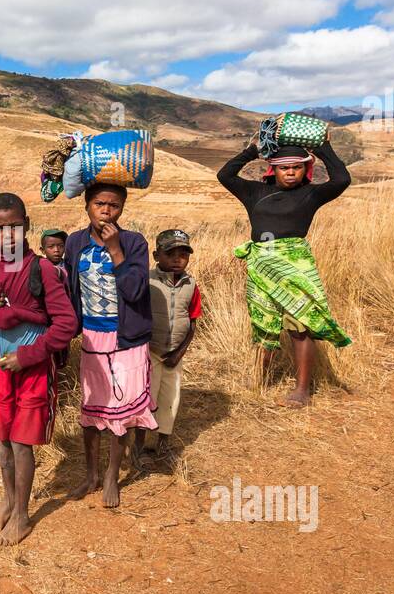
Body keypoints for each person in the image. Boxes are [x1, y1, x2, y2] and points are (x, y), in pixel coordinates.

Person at [0, 194, 78, 544]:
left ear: (27, 225)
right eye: (0, 229)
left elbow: (66, 324)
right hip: (1, 368)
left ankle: (22, 515)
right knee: (2, 439)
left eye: (15, 227)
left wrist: (28, 356)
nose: (9, 236)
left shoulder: (41, 269)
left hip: (32, 370)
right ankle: (7, 500)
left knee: (20, 444)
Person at [217, 132, 352, 407]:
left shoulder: (311, 194)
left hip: (296, 268)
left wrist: (324, 146)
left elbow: (342, 179)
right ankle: (259, 379)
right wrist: (252, 150)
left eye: (296, 167)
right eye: (284, 167)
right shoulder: (254, 192)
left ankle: (302, 389)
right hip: (262, 268)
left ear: (305, 169)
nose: (290, 173)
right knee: (263, 324)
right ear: (273, 169)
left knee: (300, 324)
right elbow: (225, 175)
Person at [62, 183, 157, 508]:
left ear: (122, 209)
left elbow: (134, 292)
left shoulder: (133, 242)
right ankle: (91, 474)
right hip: (92, 336)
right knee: (93, 407)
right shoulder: (75, 242)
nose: (106, 211)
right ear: (87, 205)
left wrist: (116, 250)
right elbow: (71, 289)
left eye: (114, 206)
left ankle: (111, 476)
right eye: (99, 204)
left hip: (126, 339)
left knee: (120, 411)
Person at [135, 229, 202, 464]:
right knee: (146, 399)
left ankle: (163, 444)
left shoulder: (190, 284)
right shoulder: (147, 281)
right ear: (156, 255)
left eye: (183, 254)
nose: (177, 259)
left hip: (175, 353)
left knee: (170, 399)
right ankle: (139, 447)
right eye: (170, 253)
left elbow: (192, 322)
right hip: (149, 352)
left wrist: (179, 352)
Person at [38, 229, 72, 390]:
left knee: (60, 360)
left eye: (60, 246)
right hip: (46, 323)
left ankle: (56, 392)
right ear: (42, 250)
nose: (57, 250)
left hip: (63, 321)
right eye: (51, 247)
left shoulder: (69, 268)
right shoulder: (39, 269)